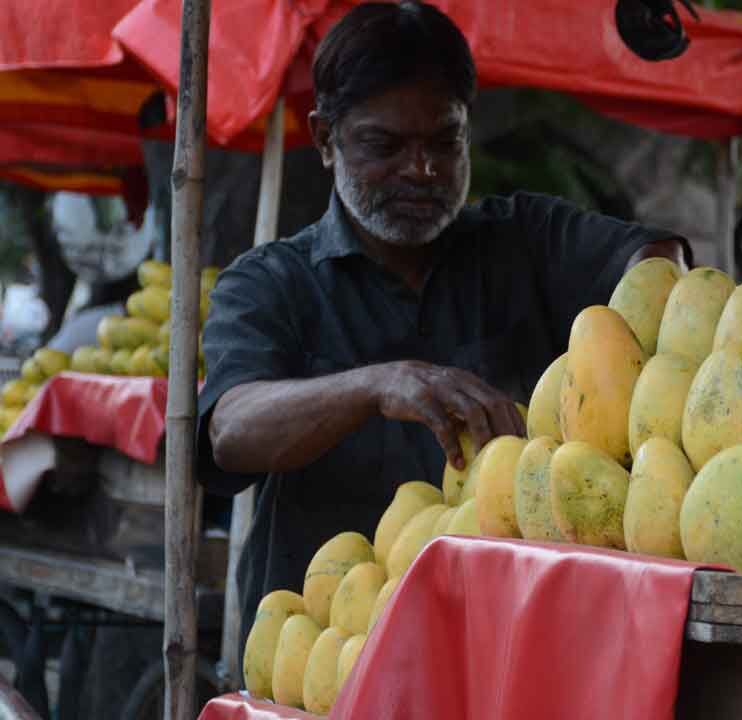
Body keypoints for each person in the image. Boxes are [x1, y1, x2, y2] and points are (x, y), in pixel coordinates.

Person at [197, 0, 690, 661]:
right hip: (325, 659)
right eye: (385, 146)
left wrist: (638, 376)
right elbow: (230, 430)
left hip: (501, 649)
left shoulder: (525, 240)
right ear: (323, 138)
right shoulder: (269, 282)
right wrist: (375, 387)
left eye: (443, 141)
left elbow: (660, 262)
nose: (421, 170)